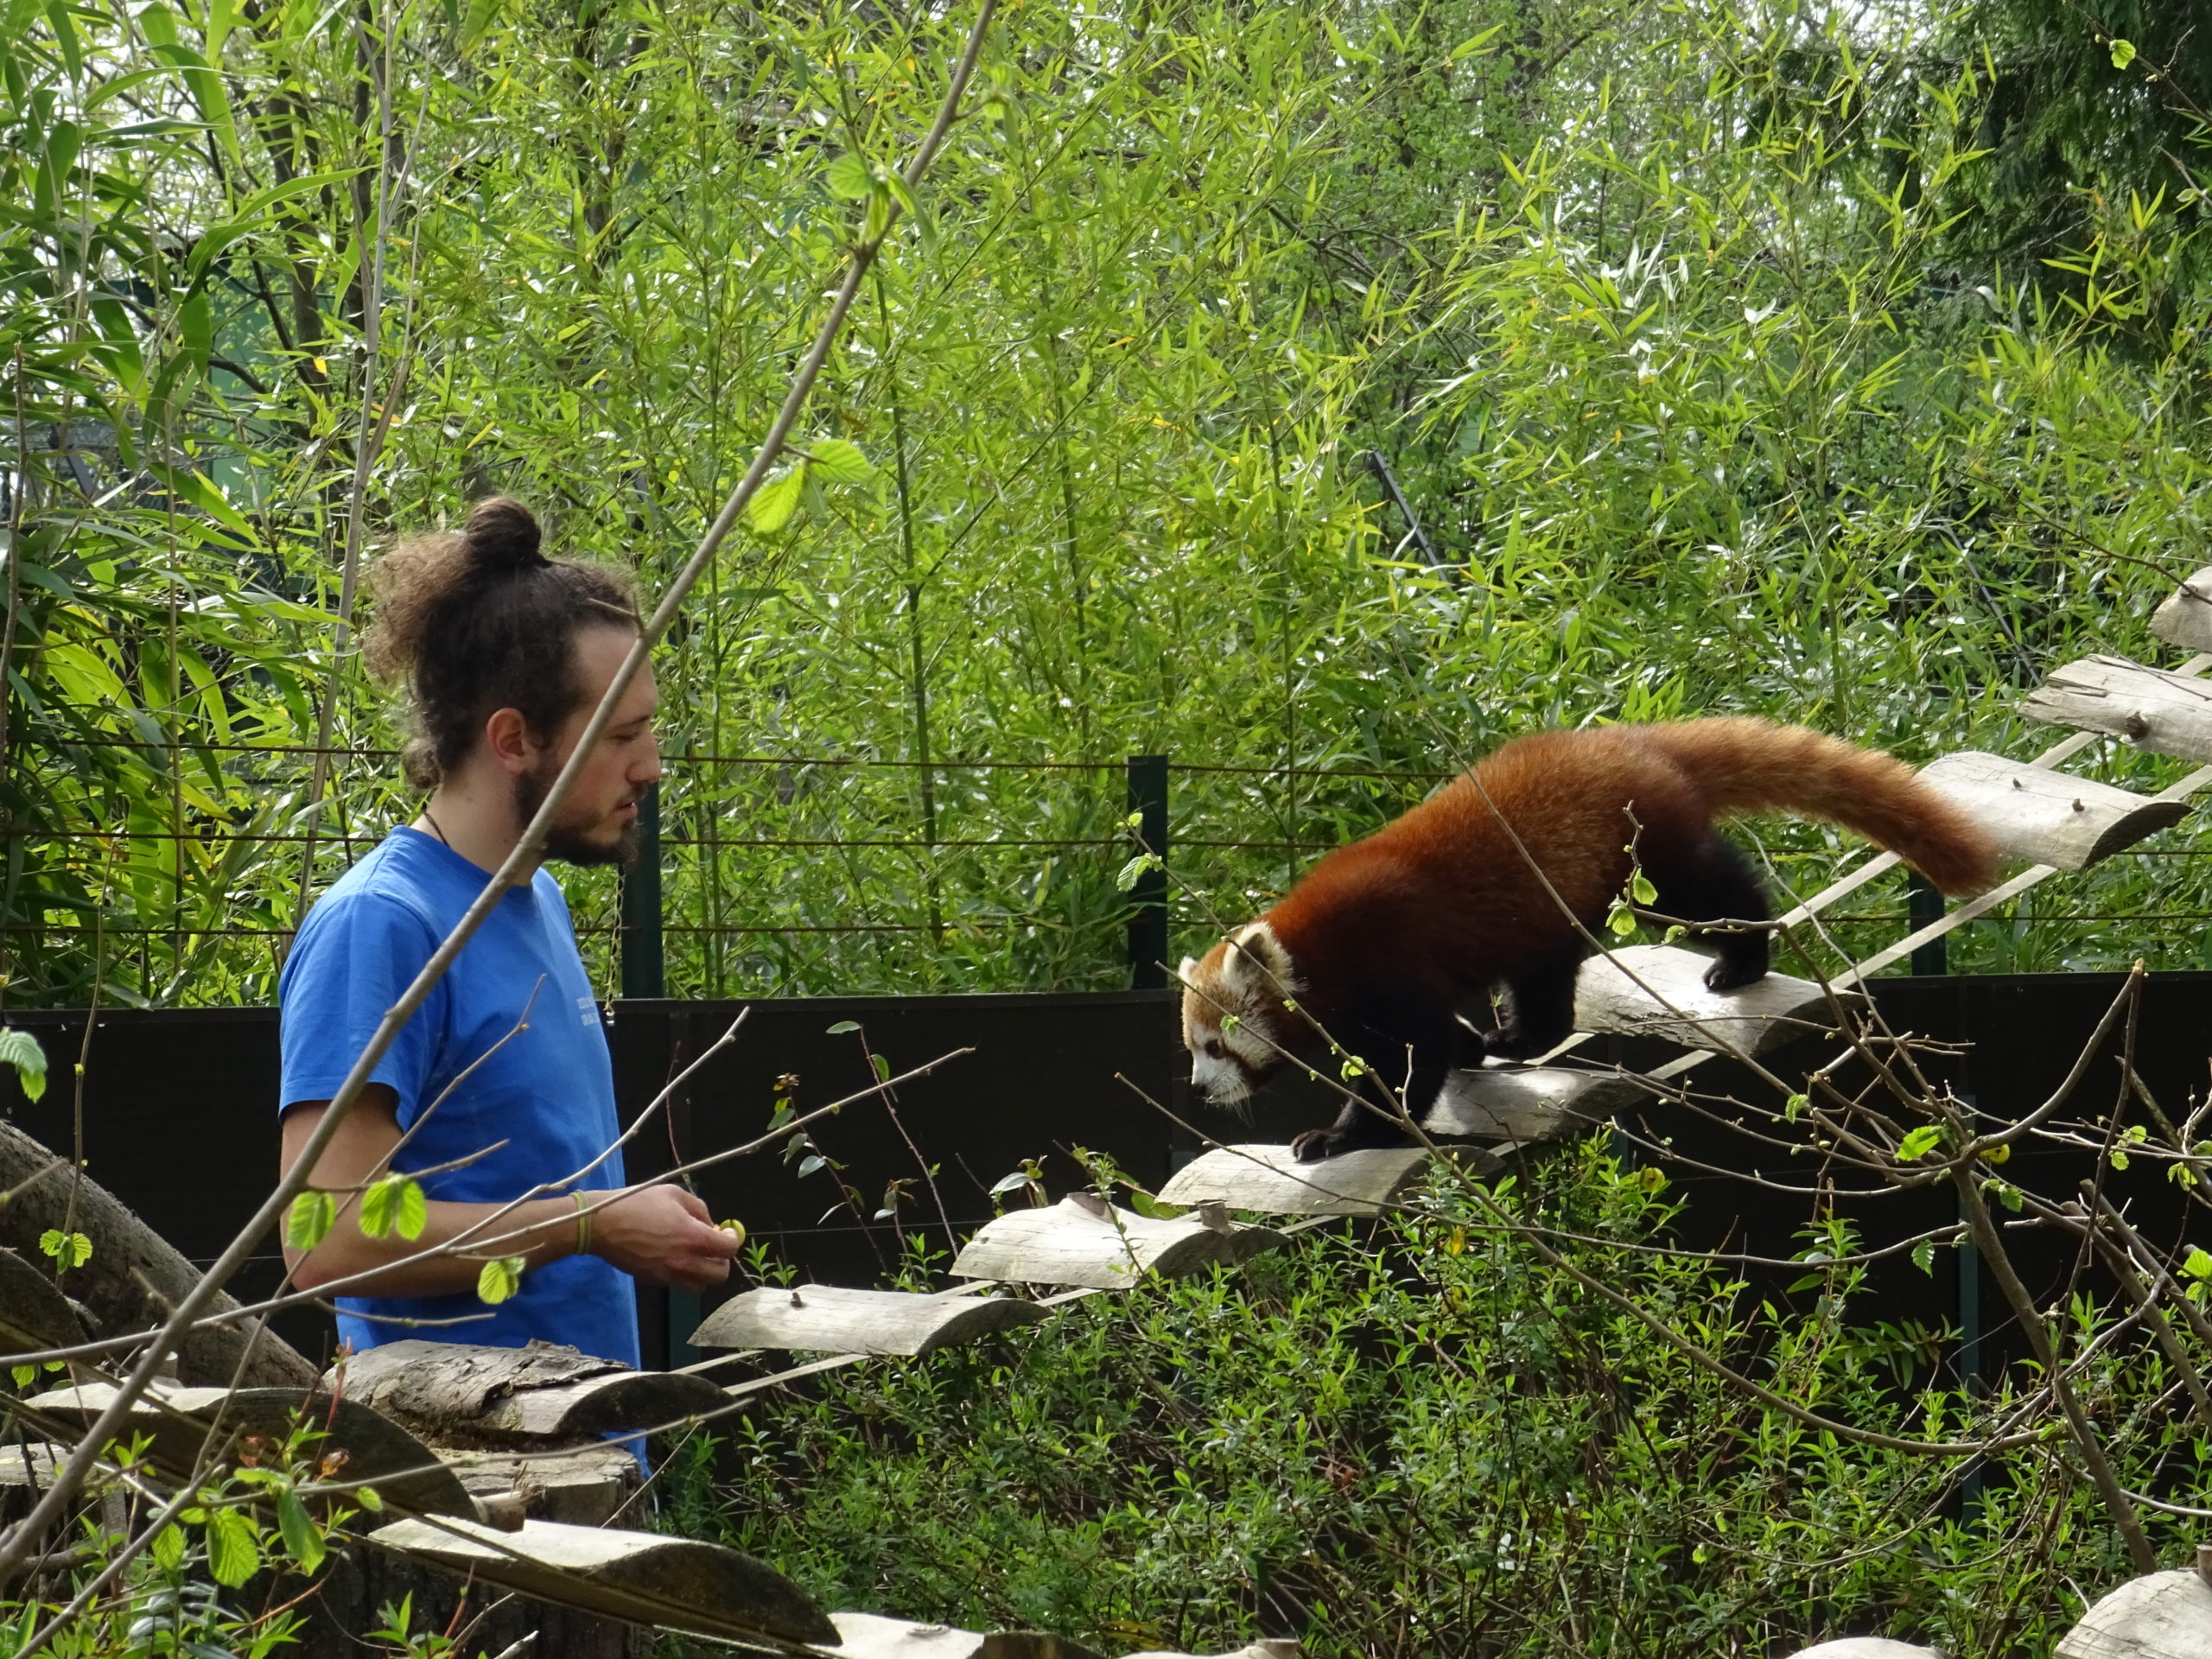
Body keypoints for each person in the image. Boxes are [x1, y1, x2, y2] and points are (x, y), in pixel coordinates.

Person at [277, 496, 737, 1366]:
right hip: (455, 1446)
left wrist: (607, 1222)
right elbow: (324, 1238)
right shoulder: (382, 924)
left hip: (585, 1437)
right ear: (514, 738)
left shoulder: (536, 900)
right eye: (624, 734)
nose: (650, 766)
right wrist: (594, 1223)